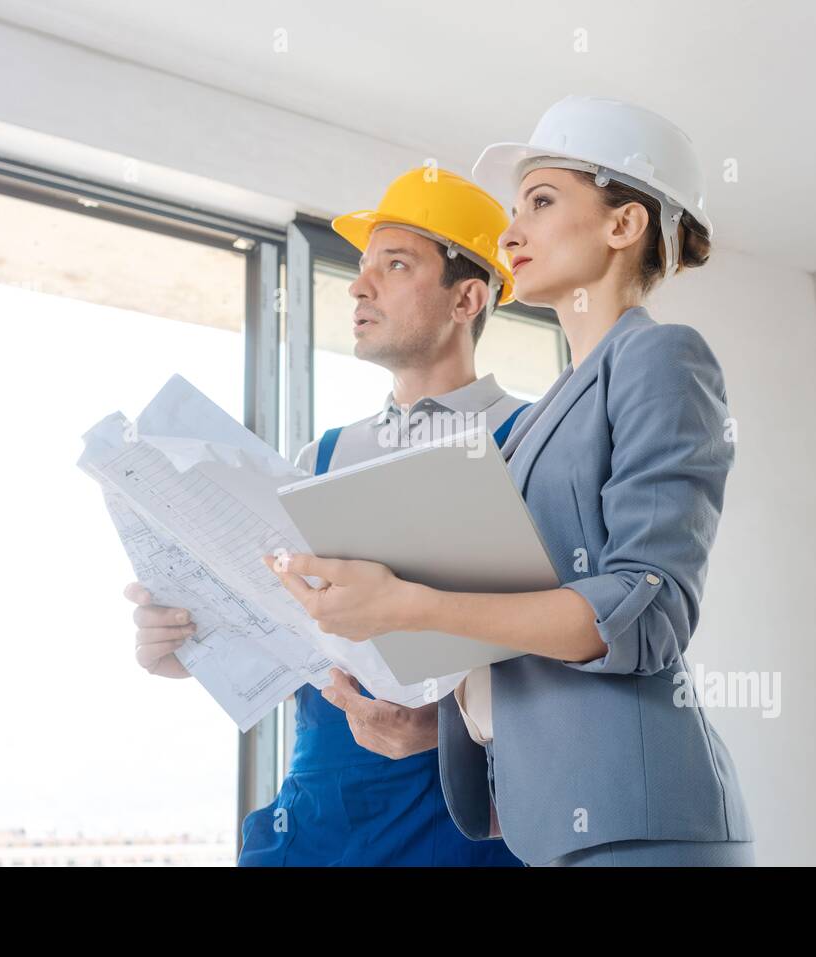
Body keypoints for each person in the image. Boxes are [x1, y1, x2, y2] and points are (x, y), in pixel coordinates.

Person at [265, 96, 756, 866]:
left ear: (623, 225)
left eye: (541, 201)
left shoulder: (662, 357)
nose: (511, 231)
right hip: (546, 816)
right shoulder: (541, 418)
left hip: (640, 816)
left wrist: (412, 604)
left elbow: (644, 614)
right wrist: (442, 721)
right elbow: (523, 626)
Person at [127, 167, 526, 866]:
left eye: (394, 265)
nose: (358, 286)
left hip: (461, 819)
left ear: (467, 296)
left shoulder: (535, 441)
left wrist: (448, 725)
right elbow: (287, 631)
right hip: (316, 811)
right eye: (362, 267)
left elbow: (582, 645)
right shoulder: (324, 455)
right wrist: (184, 643)